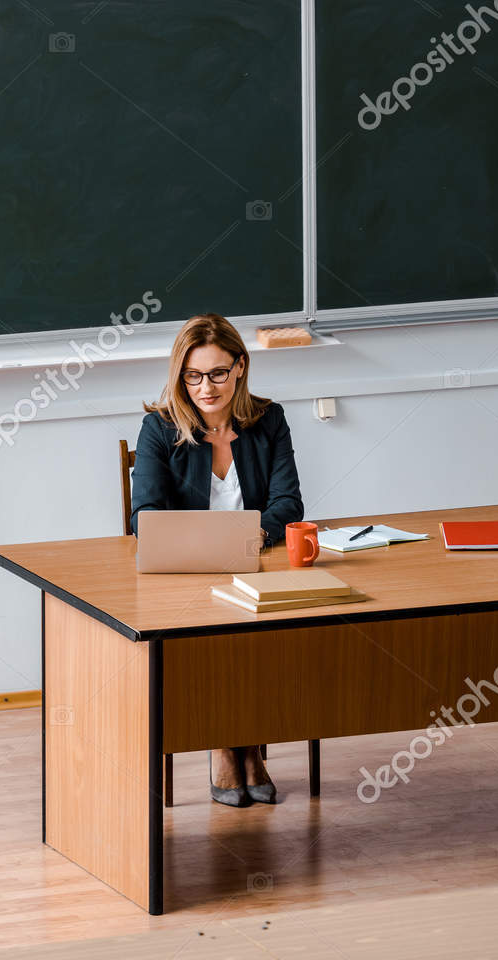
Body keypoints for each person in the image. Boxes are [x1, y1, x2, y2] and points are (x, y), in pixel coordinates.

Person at [132, 313, 304, 805]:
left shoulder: (268, 420)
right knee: (217, 631)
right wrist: (217, 544)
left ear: (240, 368)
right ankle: (228, 748)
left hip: (256, 564)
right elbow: (145, 516)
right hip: (186, 574)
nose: (205, 387)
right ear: (180, 375)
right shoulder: (159, 430)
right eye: (192, 375)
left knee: (271, 629)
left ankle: (248, 746)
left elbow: (288, 504)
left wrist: (243, 544)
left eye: (217, 373)